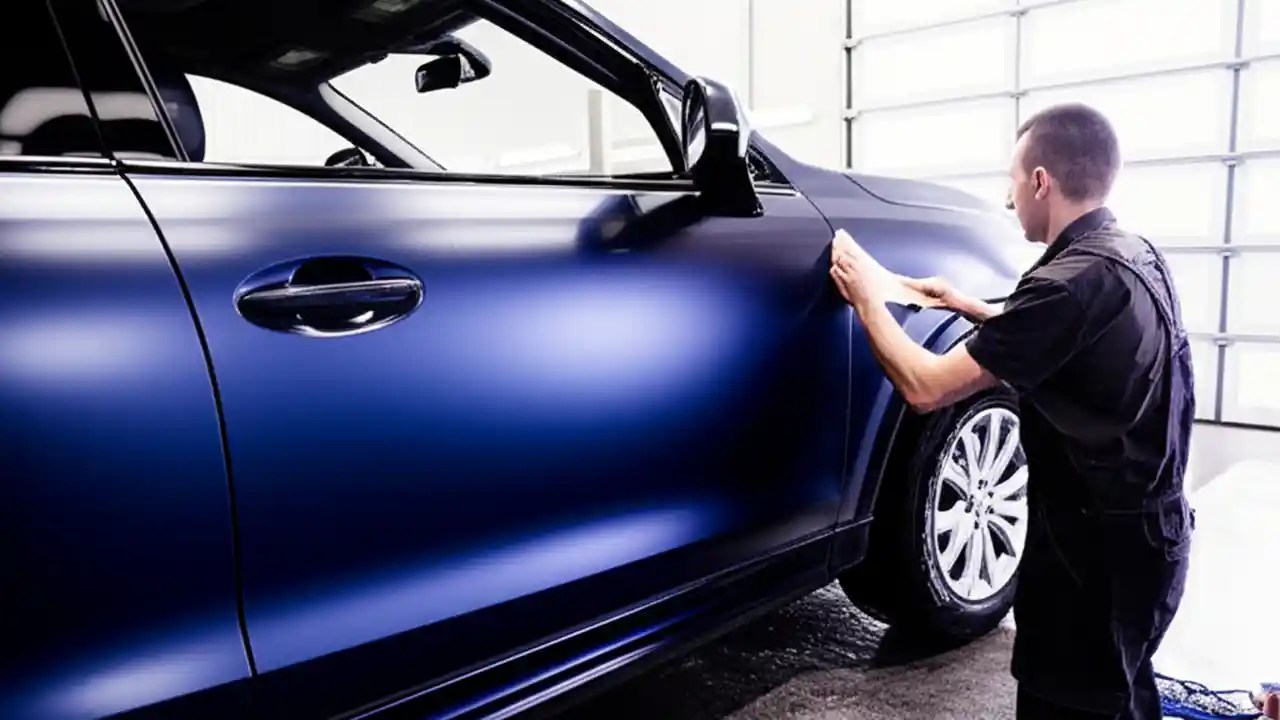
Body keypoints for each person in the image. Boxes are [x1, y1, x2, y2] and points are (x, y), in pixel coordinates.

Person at [829, 103, 1195, 720]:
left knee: (1068, 707)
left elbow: (924, 386)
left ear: (1041, 182)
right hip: (1153, 543)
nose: (1007, 198)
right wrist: (977, 309)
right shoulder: (1130, 253)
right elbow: (1074, 338)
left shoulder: (1063, 285)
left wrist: (867, 299)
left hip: (1095, 566)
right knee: (1124, 700)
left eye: (1012, 179)